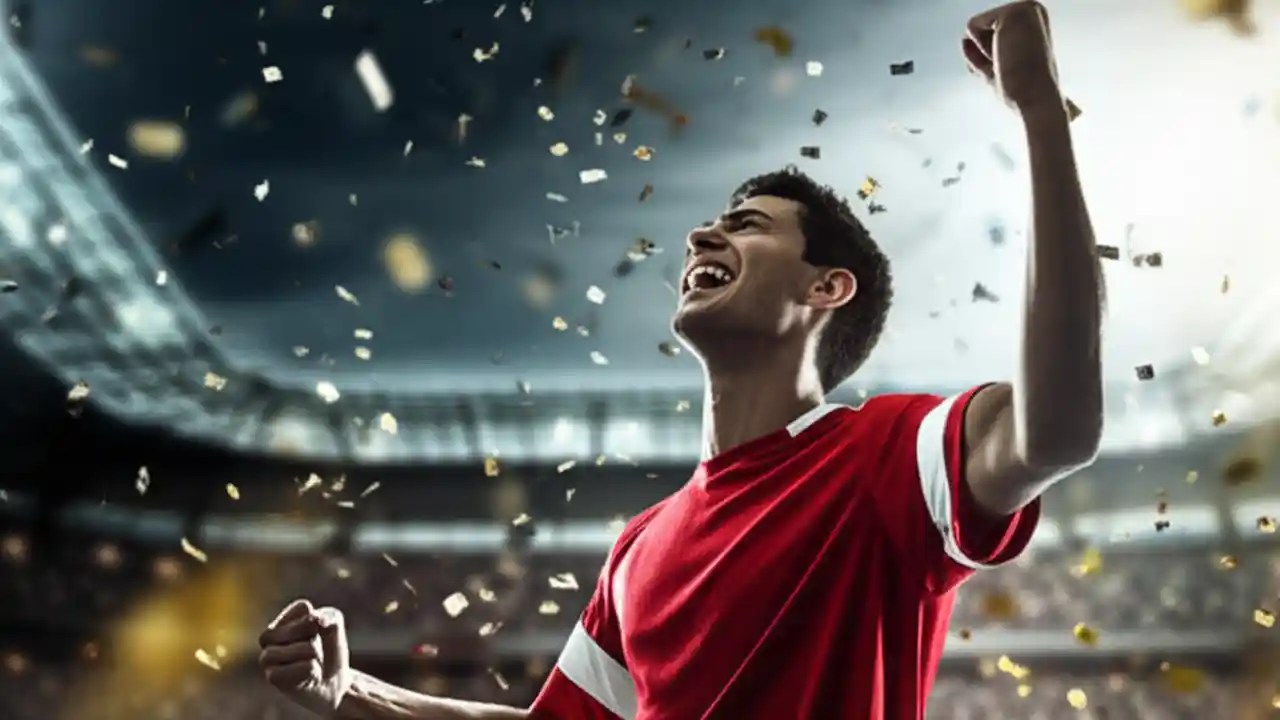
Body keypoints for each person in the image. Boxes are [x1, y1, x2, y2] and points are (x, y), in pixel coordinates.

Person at [256, 2, 1103, 718]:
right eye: (711, 224)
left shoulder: (887, 456)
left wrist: (1039, 114)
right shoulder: (637, 549)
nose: (701, 234)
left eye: (748, 225)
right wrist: (354, 691)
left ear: (827, 287)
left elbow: (1056, 429)